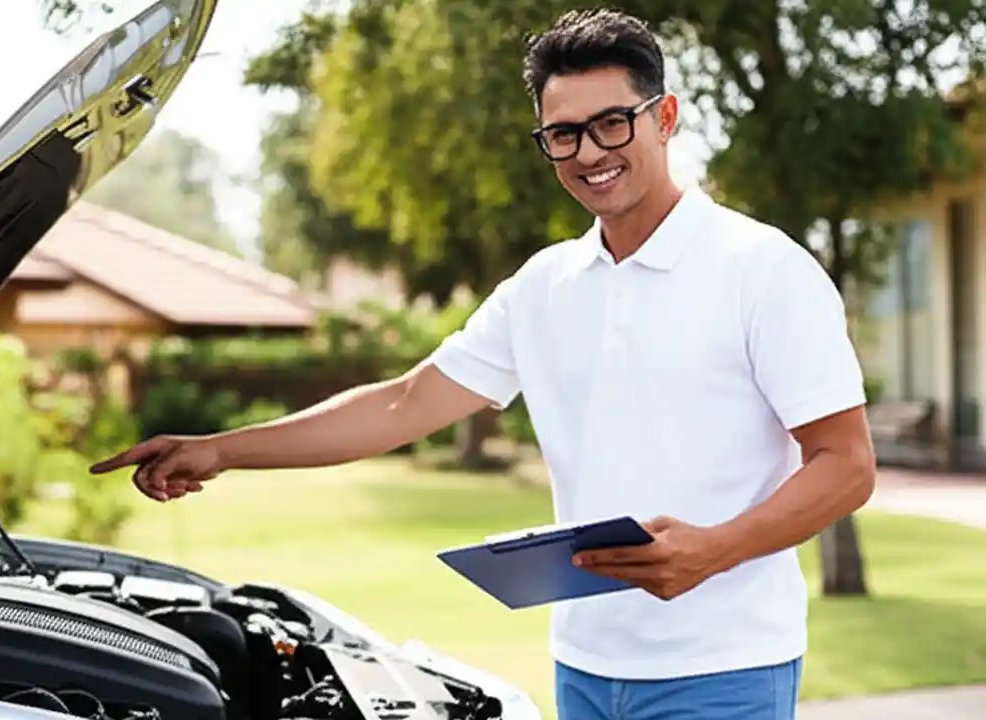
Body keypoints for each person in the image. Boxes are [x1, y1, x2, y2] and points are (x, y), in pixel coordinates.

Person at [90, 7, 876, 719]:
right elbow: (404, 404)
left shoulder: (762, 270)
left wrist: (714, 550)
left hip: (724, 672)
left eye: (612, 124)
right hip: (583, 668)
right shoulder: (543, 287)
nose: (588, 153)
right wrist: (221, 450)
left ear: (664, 117)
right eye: (562, 134)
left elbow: (845, 466)